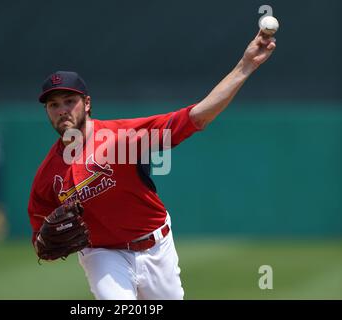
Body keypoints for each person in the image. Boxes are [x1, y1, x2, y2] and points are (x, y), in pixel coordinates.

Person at [27, 30, 276, 300]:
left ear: (87, 104)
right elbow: (41, 238)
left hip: (156, 245)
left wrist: (246, 65)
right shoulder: (47, 177)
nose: (62, 110)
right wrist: (43, 245)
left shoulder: (122, 139)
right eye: (53, 104)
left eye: (69, 101)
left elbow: (197, 117)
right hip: (103, 254)